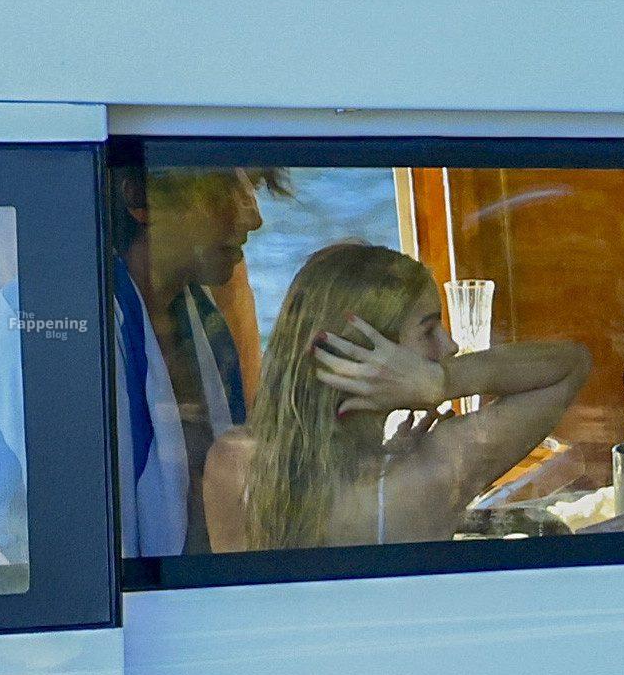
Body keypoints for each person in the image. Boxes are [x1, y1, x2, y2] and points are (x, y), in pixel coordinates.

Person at [204, 242, 591, 551]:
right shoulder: (434, 469)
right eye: (428, 330)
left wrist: (381, 452)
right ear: (366, 354)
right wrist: (443, 381)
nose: (450, 346)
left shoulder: (232, 462)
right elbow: (571, 366)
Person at [111, 166, 286, 556]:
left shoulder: (210, 326)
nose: (253, 218)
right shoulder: (76, 332)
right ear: (139, 197)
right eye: (222, 189)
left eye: (253, 189)